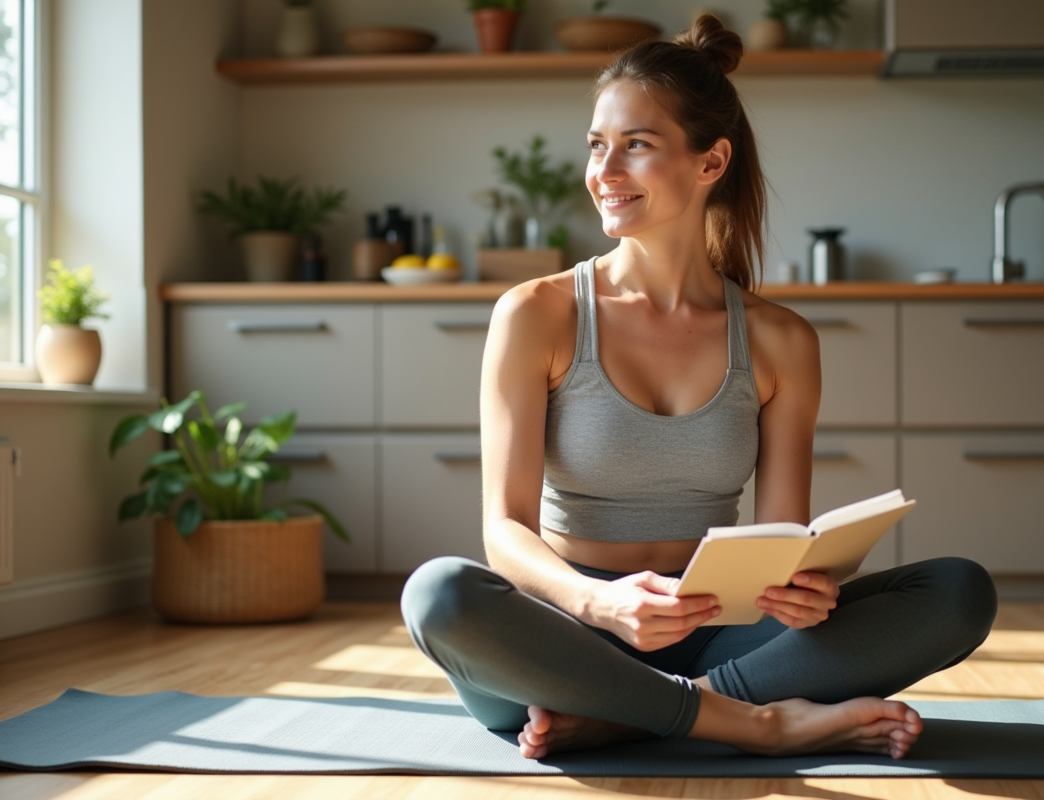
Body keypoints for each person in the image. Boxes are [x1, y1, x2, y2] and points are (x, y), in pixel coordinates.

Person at [401, 15, 997, 761]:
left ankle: (637, 716)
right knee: (439, 595)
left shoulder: (781, 341)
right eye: (597, 145)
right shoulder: (535, 314)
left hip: (723, 630)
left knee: (957, 592)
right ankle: (755, 721)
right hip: (571, 632)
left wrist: (801, 591)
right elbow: (505, 531)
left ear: (710, 162)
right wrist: (601, 602)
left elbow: (783, 540)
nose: (604, 172)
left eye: (636, 145)